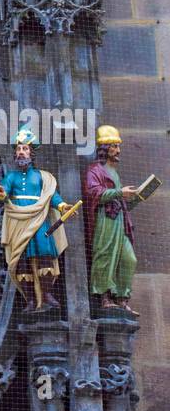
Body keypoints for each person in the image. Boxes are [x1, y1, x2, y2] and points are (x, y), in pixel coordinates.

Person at [0, 127, 70, 310]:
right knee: (21, 259)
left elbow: (51, 195)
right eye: (19, 149)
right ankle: (29, 299)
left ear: (31, 153)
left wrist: (62, 206)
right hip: (18, 220)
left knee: (45, 255)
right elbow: (3, 192)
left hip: (39, 219)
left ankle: (46, 294)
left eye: (25, 149)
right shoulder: (11, 177)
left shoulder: (41, 176)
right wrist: (0, 193)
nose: (21, 153)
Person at [84, 125, 139, 316]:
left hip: (119, 220)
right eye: (115, 146)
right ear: (105, 148)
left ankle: (122, 297)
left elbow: (116, 196)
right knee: (105, 255)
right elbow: (93, 192)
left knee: (129, 259)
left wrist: (128, 197)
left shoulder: (114, 172)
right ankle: (105, 297)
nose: (118, 150)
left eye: (118, 146)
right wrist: (119, 192)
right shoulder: (95, 170)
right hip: (105, 220)